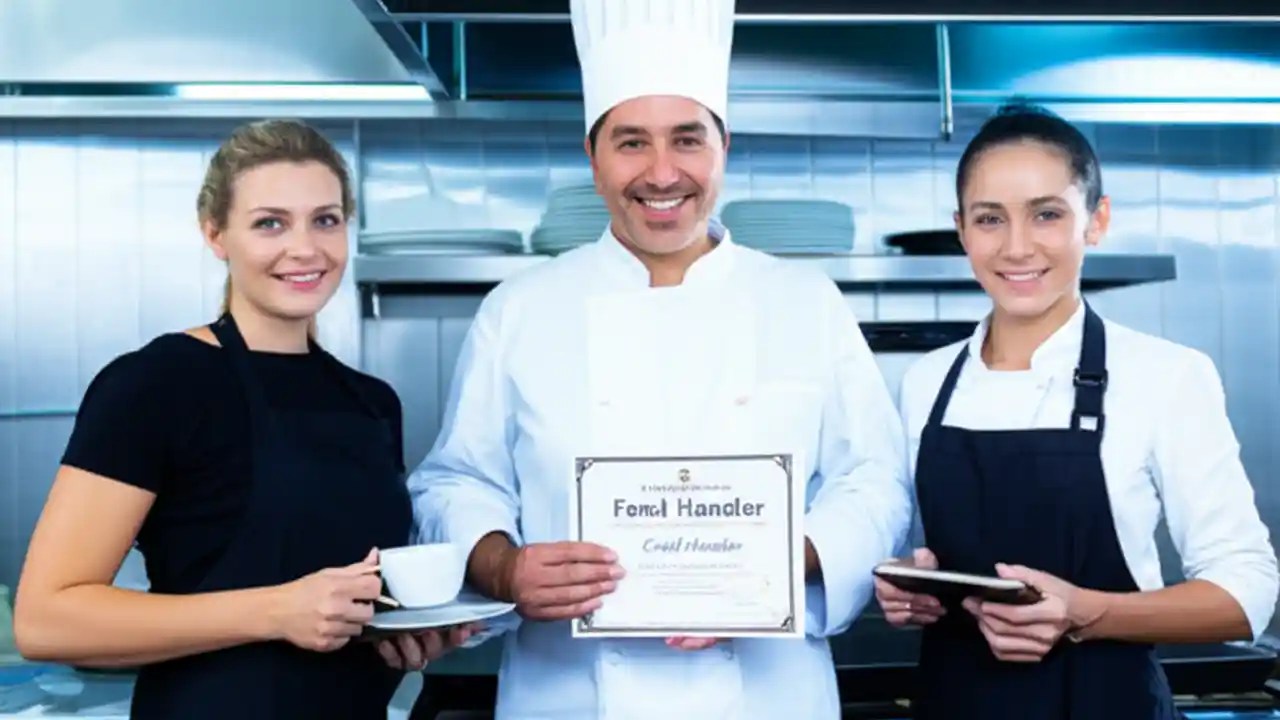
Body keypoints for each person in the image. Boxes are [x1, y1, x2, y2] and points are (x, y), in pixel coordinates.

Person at [406, 1, 913, 718]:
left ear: (723, 146)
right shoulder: (520, 309)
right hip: (570, 693)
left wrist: (777, 562)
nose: (662, 172)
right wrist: (504, 565)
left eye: (687, 139)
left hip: (768, 695)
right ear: (593, 155)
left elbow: (875, 483)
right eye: (631, 142)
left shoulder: (805, 300)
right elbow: (455, 480)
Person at [14, 119, 473, 719]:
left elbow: (338, 593)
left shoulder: (371, 402)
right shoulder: (156, 383)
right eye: (270, 223)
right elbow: (47, 619)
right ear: (216, 235)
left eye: (326, 220)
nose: (305, 248)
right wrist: (277, 611)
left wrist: (398, 631)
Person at [875, 102, 1280, 719]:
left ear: (1096, 221)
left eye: (1046, 214)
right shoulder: (927, 382)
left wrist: (1087, 612)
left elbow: (1247, 592)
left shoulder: (1166, 376)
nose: (1017, 247)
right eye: (990, 219)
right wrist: (908, 585)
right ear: (961, 230)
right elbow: (911, 552)